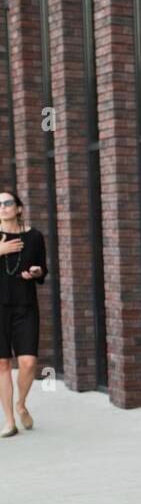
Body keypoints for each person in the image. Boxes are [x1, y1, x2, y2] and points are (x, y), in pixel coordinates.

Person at [0, 188, 48, 438]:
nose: (3, 207)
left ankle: (21, 404)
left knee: (28, 362)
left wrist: (37, 272)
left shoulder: (35, 236)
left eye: (7, 203)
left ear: (18, 208)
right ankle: (9, 421)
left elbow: (43, 269)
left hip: (25, 306)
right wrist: (1, 251)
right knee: (2, 363)